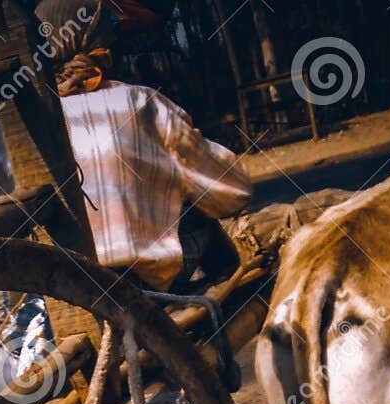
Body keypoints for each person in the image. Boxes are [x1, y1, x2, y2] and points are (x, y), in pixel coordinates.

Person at [35, 0, 253, 288]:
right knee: (197, 206)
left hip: (61, 288)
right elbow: (234, 190)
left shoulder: (27, 123)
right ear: (99, 41)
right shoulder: (141, 103)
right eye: (112, 30)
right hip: (141, 284)